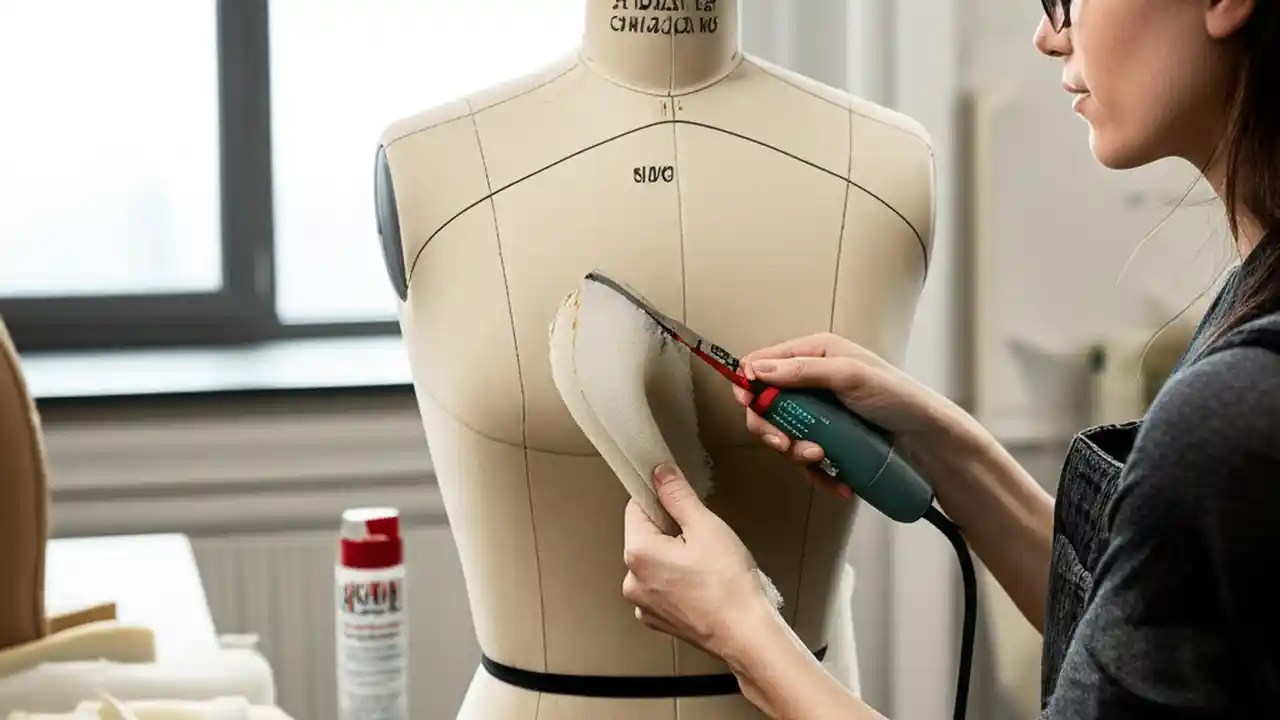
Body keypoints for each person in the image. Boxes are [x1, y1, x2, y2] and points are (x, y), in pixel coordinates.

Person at [619, 0, 1280, 717]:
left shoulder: (1238, 406)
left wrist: (741, 630)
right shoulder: (1252, 314)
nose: (1048, 36)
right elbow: (1149, 630)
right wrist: (933, 438)